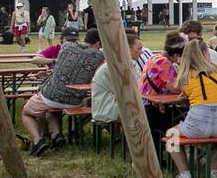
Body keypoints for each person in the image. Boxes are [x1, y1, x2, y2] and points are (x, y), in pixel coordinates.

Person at [21, 27, 105, 155]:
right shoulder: (99, 56)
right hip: (76, 101)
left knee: (27, 112)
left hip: (51, 96)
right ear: (98, 43)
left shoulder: (65, 48)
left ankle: (38, 141)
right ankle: (57, 136)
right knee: (53, 109)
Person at [167, 39, 217, 178]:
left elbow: (186, 94)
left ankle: (185, 174)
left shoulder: (184, 75)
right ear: (204, 52)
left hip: (198, 121)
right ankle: (213, 173)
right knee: (215, 138)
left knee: (171, 135)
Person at [90, 33, 145, 128]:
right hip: (107, 109)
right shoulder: (115, 66)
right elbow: (130, 91)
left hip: (116, 106)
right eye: (139, 49)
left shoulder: (129, 64)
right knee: (150, 113)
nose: (142, 52)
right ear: (127, 49)